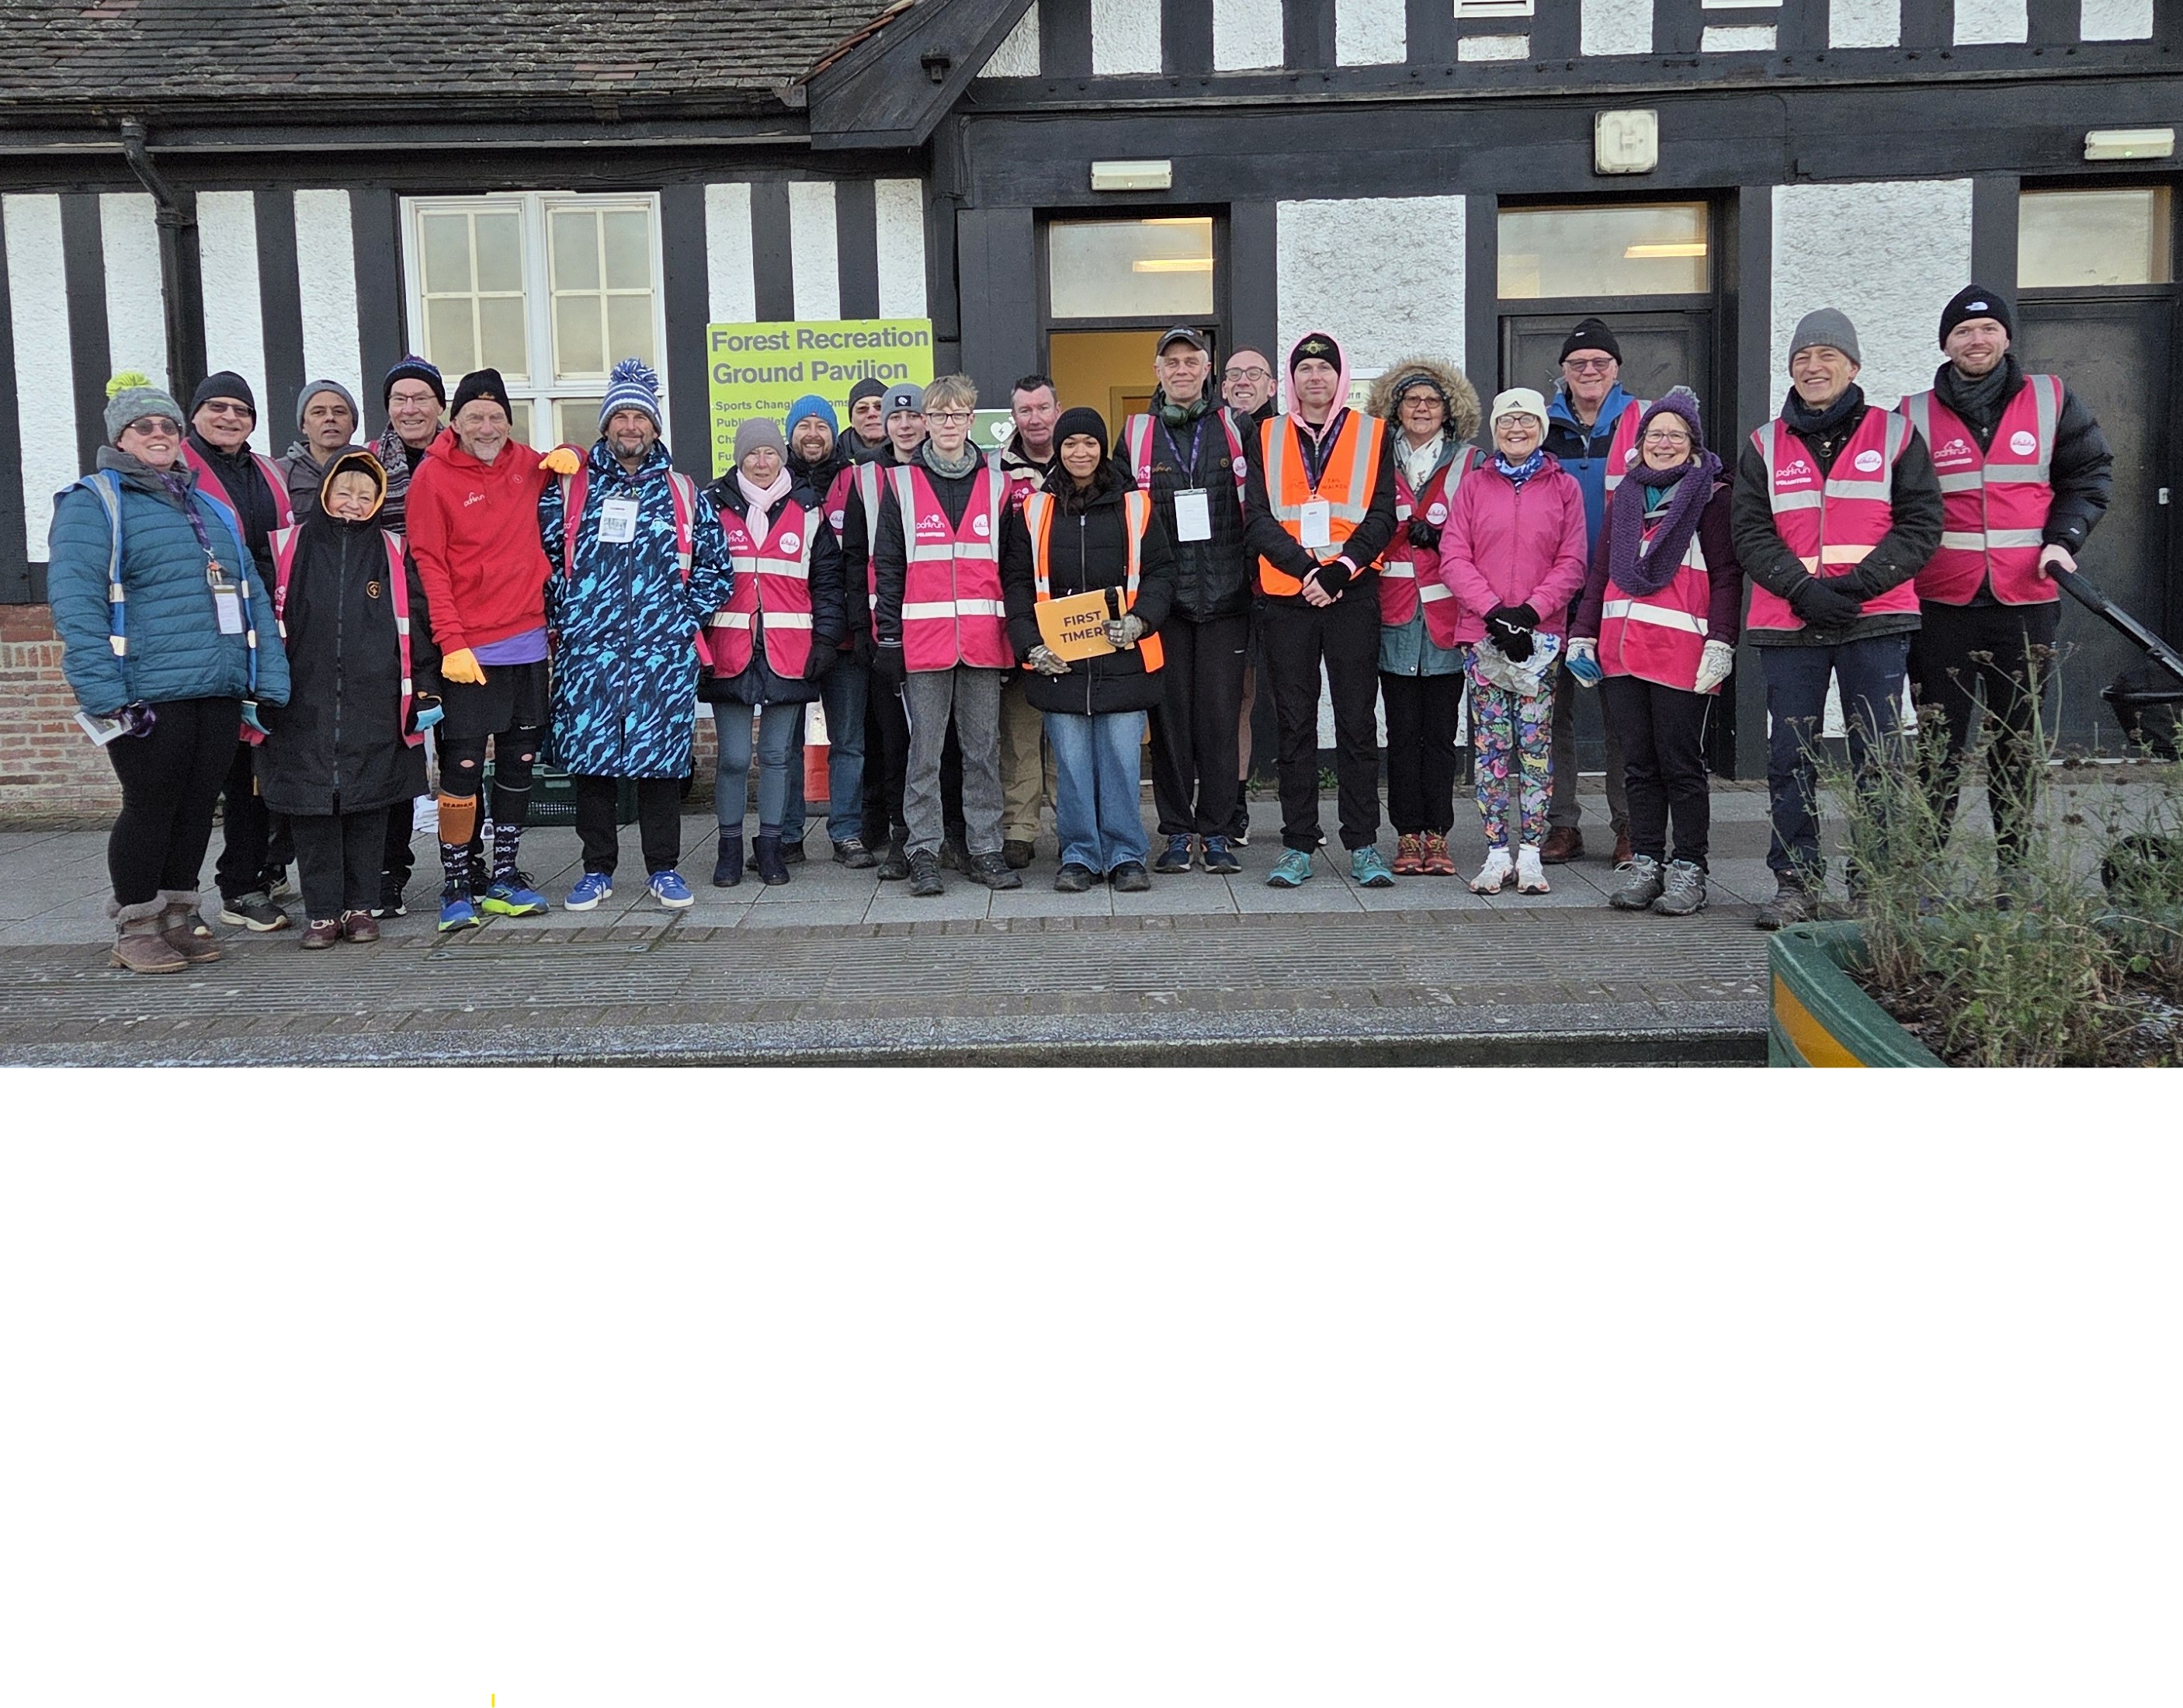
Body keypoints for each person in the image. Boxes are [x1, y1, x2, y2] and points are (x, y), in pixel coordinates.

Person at [47, 373, 290, 973]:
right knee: (150, 804)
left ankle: (178, 914)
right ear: (121, 438)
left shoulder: (206, 506)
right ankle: (136, 924)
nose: (158, 434)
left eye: (167, 426)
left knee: (196, 805)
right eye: (144, 426)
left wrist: (269, 676)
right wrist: (102, 690)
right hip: (146, 689)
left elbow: (251, 592)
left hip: (217, 683)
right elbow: (77, 603)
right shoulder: (94, 502)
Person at [1732, 308, 1943, 929]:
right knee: (1789, 755)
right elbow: (1749, 530)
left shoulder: (1897, 434)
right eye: (1802, 359)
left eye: (1826, 356)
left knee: (1876, 755)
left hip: (1874, 617)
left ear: (1852, 366)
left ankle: (1874, 883)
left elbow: (1921, 524)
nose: (1813, 367)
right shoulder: (1765, 444)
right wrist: (1803, 589)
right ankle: (1795, 882)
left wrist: (1854, 586)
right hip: (1790, 621)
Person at [1901, 285, 2114, 882]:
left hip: (2027, 600)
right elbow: (1896, 504)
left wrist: (2064, 537)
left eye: (1988, 329)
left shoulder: (2050, 400)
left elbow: (2090, 472)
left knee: (2015, 742)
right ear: (1945, 343)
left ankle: (2015, 870)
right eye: (1964, 332)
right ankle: (1926, 867)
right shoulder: (1913, 414)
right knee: (1938, 743)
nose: (1977, 340)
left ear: (2006, 337)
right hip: (1942, 602)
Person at [542, 359, 727, 910]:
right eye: (620, 416)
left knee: (660, 767)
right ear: (605, 427)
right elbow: (543, 559)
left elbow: (718, 568)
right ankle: (596, 870)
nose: (630, 426)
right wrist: (568, 616)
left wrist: (680, 618)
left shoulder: (686, 493)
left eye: (640, 417)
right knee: (593, 766)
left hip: (661, 656)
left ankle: (663, 869)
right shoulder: (570, 489)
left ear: (655, 428)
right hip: (590, 654)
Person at [405, 366, 583, 931]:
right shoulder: (433, 477)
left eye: (497, 417)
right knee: (460, 771)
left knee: (517, 765)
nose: (487, 426)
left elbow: (571, 455)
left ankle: (504, 875)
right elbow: (427, 564)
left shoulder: (524, 464)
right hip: (467, 651)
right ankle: (456, 883)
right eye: (475, 416)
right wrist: (451, 642)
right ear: (453, 421)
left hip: (527, 642)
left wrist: (568, 451)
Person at [1567, 390, 1742, 916]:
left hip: (1682, 652)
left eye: (1676, 435)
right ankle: (1647, 862)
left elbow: (1728, 575)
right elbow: (1601, 573)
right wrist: (1583, 632)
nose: (1664, 443)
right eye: (1655, 434)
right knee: (1639, 766)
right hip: (1622, 653)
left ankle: (1690, 867)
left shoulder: (1712, 497)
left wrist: (1723, 640)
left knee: (1680, 765)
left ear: (1693, 445)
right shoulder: (1625, 499)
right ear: (1641, 444)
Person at [1241, 330, 1399, 888]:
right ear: (1291, 380)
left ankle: (1362, 844)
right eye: (1304, 370)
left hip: (1350, 594)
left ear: (1340, 377)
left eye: (1325, 369)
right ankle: (1298, 844)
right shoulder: (1265, 433)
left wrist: (1340, 570)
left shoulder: (1374, 433)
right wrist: (1308, 570)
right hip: (1288, 596)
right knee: (1294, 725)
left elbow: (1383, 515)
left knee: (1357, 723)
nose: (1315, 378)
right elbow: (1257, 517)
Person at [256, 451, 434, 947]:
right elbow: (261, 627)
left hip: (374, 703)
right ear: (325, 494)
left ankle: (361, 906)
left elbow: (417, 628)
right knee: (311, 812)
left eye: (364, 495)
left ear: (378, 500)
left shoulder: (394, 553)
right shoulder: (285, 549)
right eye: (343, 493)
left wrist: (425, 689)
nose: (353, 504)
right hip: (301, 704)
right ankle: (321, 912)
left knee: (368, 809)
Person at [1001, 408, 1175, 890]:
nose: (1081, 452)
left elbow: (1162, 574)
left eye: (1090, 443)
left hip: (1125, 659)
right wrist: (1031, 647)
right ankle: (1078, 856)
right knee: (1073, 766)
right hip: (1058, 661)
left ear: (1103, 448)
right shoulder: (1035, 510)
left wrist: (1141, 621)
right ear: (1057, 450)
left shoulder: (1135, 506)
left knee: (1121, 763)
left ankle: (1125, 856)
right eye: (1071, 443)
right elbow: (1016, 584)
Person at [869, 373, 1021, 897]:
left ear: (971, 419)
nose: (949, 424)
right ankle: (924, 851)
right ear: (925, 423)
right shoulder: (902, 485)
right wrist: (888, 639)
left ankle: (985, 848)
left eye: (959, 414)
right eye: (939, 415)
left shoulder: (998, 484)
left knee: (981, 751)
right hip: (922, 643)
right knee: (924, 754)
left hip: (983, 642)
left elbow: (1013, 569)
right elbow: (886, 569)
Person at [1440, 387, 1588, 895]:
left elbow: (1573, 562)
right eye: (1507, 422)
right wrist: (1495, 612)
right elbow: (1454, 556)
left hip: (1539, 641)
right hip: (1484, 637)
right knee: (1491, 749)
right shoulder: (1475, 487)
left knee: (1535, 748)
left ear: (1541, 429)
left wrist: (1529, 612)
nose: (1517, 429)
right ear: (1496, 430)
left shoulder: (1563, 487)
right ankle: (1495, 851)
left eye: (1526, 421)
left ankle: (1530, 854)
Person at [1123, 327, 1253, 877]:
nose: (1181, 370)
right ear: (1157, 371)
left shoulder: (1238, 428)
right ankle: (1177, 831)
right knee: (1170, 723)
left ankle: (1218, 831)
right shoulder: (1135, 434)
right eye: (1171, 361)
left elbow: (1261, 510)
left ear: (1208, 370)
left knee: (1221, 723)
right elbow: (1122, 517)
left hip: (1228, 600)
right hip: (1165, 605)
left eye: (1191, 360)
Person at [701, 416, 845, 886]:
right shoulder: (713, 505)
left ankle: (771, 846)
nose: (761, 463)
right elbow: (694, 578)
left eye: (769, 454)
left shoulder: (808, 510)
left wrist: (825, 640)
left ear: (781, 457)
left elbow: (827, 583)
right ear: (739, 458)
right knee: (735, 758)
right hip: (728, 649)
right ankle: (727, 848)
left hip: (790, 651)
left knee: (780, 756)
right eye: (752, 454)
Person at [181, 369, 297, 932]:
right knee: (197, 779)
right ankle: (173, 900)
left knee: (252, 771)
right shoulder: (175, 472)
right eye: (218, 407)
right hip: (201, 640)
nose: (229, 418)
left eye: (241, 411)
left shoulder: (264, 471)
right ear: (195, 413)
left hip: (263, 631)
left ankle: (245, 882)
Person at [838, 382, 965, 879]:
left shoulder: (955, 473)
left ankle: (951, 833)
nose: (906, 425)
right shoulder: (866, 479)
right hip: (887, 631)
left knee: (948, 741)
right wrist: (865, 629)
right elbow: (855, 560)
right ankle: (903, 836)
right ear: (884, 425)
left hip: (944, 631)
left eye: (915, 416)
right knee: (898, 742)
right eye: (897, 417)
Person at [1366, 356, 1484, 878]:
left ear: (1448, 410)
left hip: (1445, 619)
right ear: (1395, 409)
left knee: (1440, 734)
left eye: (1431, 401)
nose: (1421, 408)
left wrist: (1445, 539)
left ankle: (1437, 832)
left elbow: (1485, 529)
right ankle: (1405, 834)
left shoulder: (1470, 462)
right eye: (1411, 400)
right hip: (1392, 617)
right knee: (1400, 732)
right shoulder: (1372, 457)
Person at [1541, 317, 1641, 865]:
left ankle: (1629, 825)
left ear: (1617, 368)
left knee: (1624, 716)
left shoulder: (1643, 420)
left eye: (1599, 362)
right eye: (1578, 363)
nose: (1589, 371)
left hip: (1622, 594)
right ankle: (1563, 825)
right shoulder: (1539, 426)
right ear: (1563, 371)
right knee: (1553, 716)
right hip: (1556, 594)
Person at [776, 392, 876, 868]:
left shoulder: (854, 480)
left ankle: (847, 833)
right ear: (790, 433)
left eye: (821, 425)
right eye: (803, 425)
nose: (812, 434)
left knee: (849, 742)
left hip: (848, 639)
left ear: (834, 434)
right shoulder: (772, 484)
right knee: (788, 744)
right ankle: (788, 834)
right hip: (792, 639)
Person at [369, 352, 449, 918]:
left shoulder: (466, 456)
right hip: (392, 624)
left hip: (456, 619)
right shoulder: (368, 464)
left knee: (463, 751)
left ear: (441, 406)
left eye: (421, 397)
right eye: (400, 399)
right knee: (395, 753)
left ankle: (466, 865)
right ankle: (388, 871)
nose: (411, 407)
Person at [994, 373, 1062, 866]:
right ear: (1013, 417)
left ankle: (1076, 824)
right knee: (1019, 733)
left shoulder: (1086, 458)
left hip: (1078, 620)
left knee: (1070, 731)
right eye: (1025, 410)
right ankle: (1020, 827)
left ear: (1057, 408)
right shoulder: (994, 472)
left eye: (1043, 408)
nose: (1035, 418)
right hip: (1020, 618)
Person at [1221, 344, 1279, 844]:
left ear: (1272, 386)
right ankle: (1233, 805)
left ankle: (1298, 813)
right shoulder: (1211, 433)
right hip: (1227, 585)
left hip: (1282, 583)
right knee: (1236, 698)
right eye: (1234, 374)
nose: (1243, 381)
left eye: (1254, 374)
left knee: (1289, 699)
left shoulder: (1287, 436)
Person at [276, 380, 365, 520]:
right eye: (318, 412)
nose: (330, 418)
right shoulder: (279, 474)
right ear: (304, 425)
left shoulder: (371, 469)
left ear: (353, 424)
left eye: (339, 412)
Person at [843, 377, 890, 461]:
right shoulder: (833, 458)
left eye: (879, 407)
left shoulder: (911, 454)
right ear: (852, 421)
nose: (872, 414)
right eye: (862, 408)